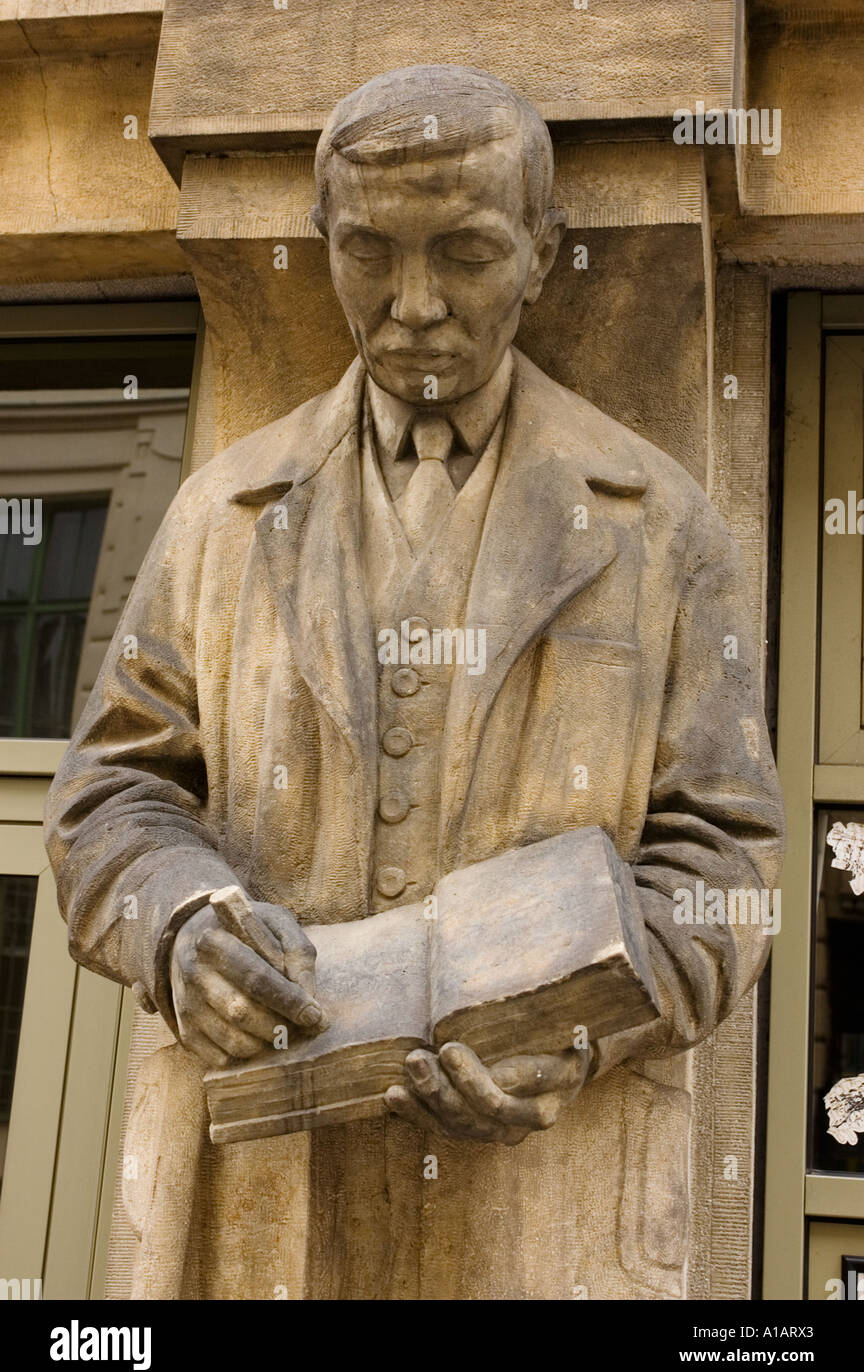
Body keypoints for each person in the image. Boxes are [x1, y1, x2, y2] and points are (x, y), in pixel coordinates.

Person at [45, 64, 784, 1299]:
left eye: (469, 252)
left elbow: (732, 857)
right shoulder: (222, 513)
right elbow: (107, 796)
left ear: (545, 254)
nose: (416, 303)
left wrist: (595, 1023)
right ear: (322, 242)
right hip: (262, 1182)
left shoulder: (664, 524)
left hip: (540, 1199)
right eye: (369, 253)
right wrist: (182, 928)